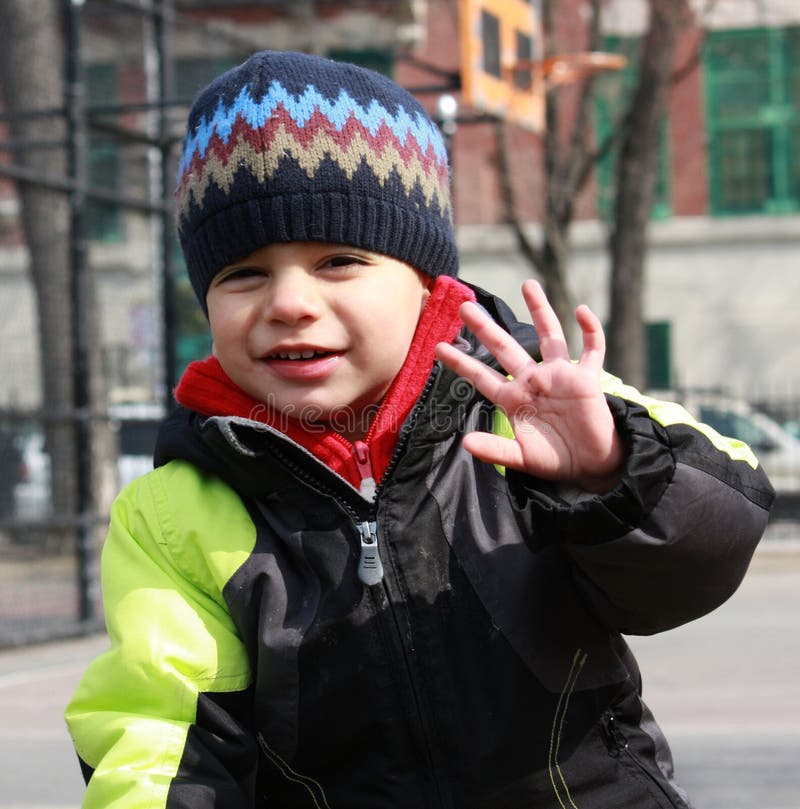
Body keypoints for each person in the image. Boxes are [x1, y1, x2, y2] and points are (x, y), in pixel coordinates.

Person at [65, 50, 774, 809]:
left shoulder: (537, 416)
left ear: (430, 283)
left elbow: (714, 537)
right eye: (244, 273)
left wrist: (605, 470)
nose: (290, 302)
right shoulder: (173, 515)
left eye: (339, 259)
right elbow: (158, 736)